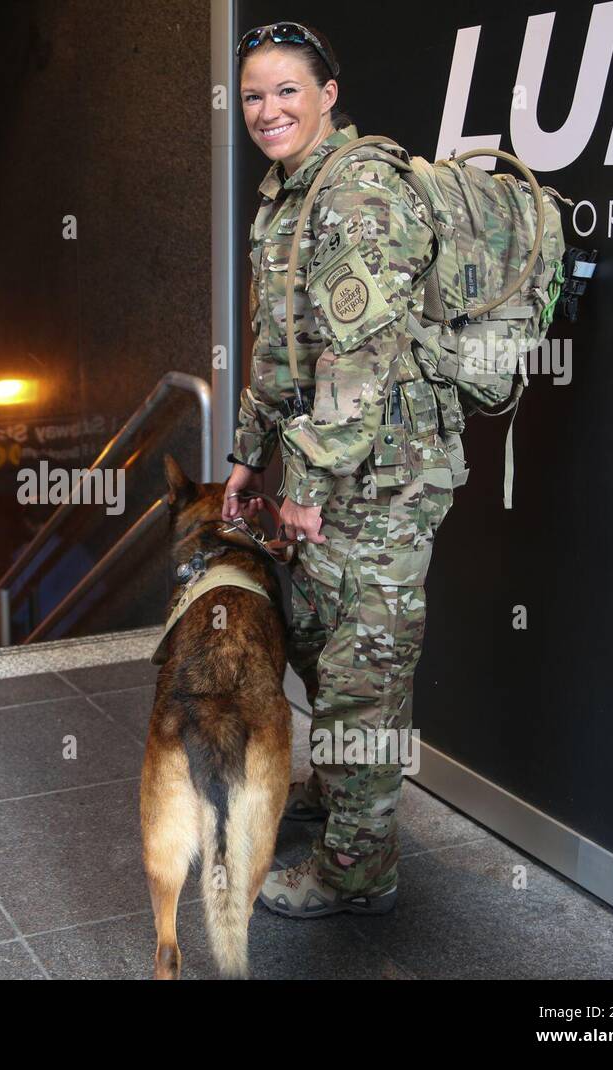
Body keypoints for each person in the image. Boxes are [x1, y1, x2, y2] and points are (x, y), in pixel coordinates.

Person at [222, 22, 453, 917]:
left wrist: (306, 489)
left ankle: (359, 872)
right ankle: (344, 798)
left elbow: (360, 363)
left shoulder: (356, 194)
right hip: (326, 471)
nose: (268, 109)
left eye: (287, 90)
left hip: (383, 479)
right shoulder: (287, 193)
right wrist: (250, 456)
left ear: (328, 93)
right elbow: (278, 354)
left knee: (364, 672)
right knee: (323, 645)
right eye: (252, 95)